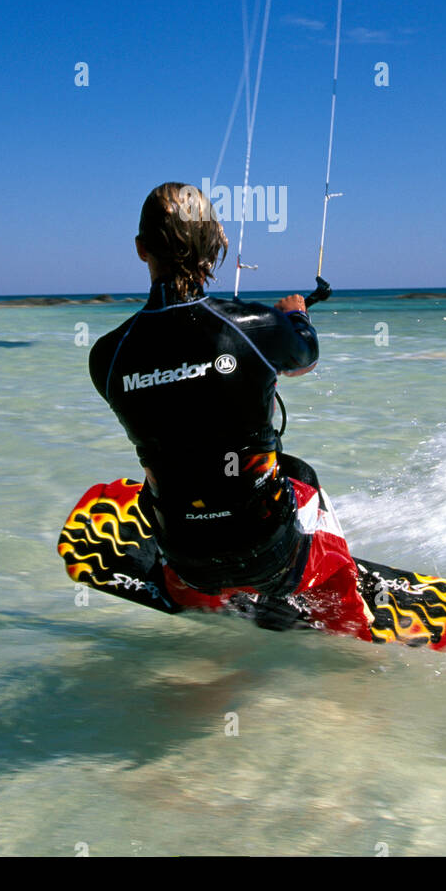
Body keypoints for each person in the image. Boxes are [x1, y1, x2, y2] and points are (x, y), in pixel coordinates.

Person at [58, 182, 375, 638]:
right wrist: (296, 316)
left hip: (188, 560)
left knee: (177, 474)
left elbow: (179, 406)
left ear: (141, 249)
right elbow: (305, 357)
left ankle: (193, 591)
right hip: (271, 556)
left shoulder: (106, 357)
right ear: (215, 245)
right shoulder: (257, 327)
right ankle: (339, 603)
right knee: (301, 476)